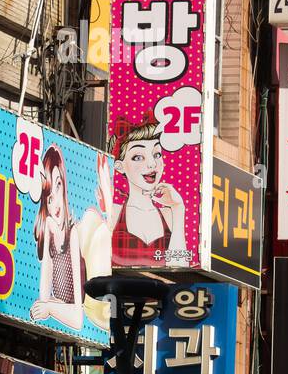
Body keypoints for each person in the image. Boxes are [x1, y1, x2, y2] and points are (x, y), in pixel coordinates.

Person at [29, 145, 110, 331]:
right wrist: (49, 233)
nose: (55, 201)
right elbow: (43, 296)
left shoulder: (72, 234)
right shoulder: (50, 234)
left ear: (64, 186)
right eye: (48, 196)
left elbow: (77, 319)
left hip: (96, 312)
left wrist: (49, 307)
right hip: (67, 313)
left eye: (58, 185)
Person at [106, 117, 186, 267]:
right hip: (116, 289)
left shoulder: (169, 214)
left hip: (163, 290)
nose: (152, 164)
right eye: (138, 157)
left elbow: (180, 267)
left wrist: (178, 207)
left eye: (156, 154)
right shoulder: (112, 213)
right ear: (119, 166)